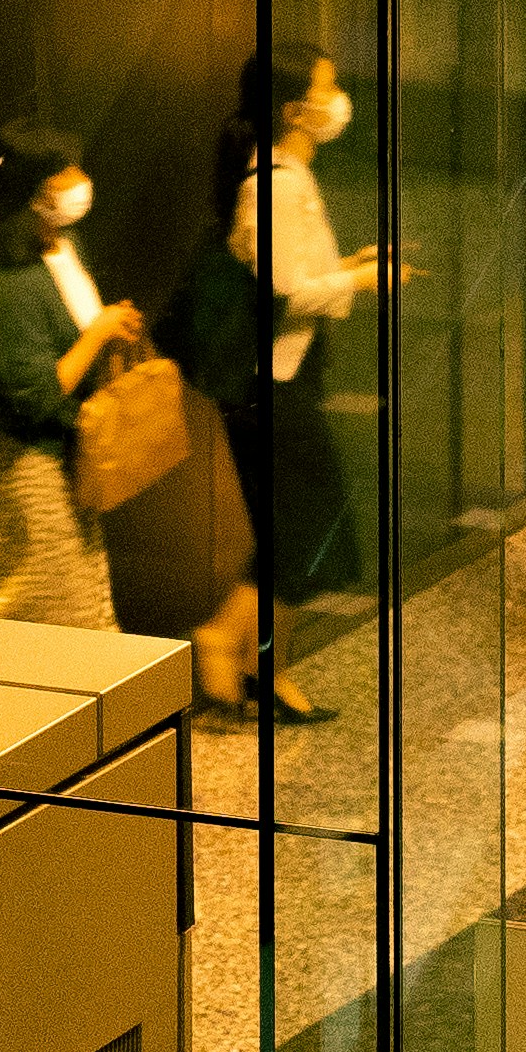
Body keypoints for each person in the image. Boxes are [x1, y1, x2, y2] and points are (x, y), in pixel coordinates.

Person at [162, 46, 387, 723]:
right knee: (305, 529)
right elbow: (285, 290)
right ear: (295, 110)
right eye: (329, 86)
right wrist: (359, 280)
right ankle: (223, 636)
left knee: (290, 529)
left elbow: (287, 268)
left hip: (287, 376)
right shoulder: (276, 183)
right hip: (271, 385)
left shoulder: (288, 176)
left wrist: (347, 266)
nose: (339, 97)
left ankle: (270, 670)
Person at [0, 122, 144, 628]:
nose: (79, 182)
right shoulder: (14, 282)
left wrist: (110, 326)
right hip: (20, 463)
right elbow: (34, 394)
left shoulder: (65, 248)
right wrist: (97, 334)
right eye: (64, 173)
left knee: (53, 596)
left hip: (59, 452)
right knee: (37, 603)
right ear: (32, 192)